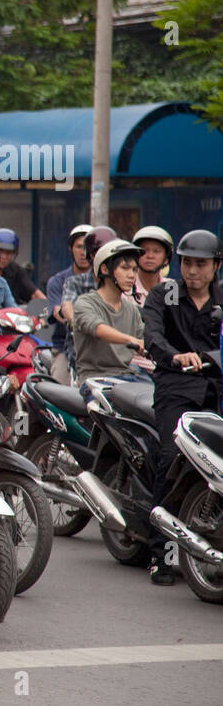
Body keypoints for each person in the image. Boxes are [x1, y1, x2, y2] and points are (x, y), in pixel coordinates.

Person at [142, 229, 223, 586]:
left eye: (201, 264)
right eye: (187, 263)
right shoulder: (164, 294)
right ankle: (161, 553)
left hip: (216, 386)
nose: (192, 271)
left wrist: (208, 357)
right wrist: (175, 356)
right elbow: (152, 337)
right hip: (176, 386)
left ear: (216, 266)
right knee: (170, 457)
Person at [71, 240, 148, 386]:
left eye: (135, 270)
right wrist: (132, 341)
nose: (132, 275)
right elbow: (99, 329)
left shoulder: (131, 309)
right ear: (105, 269)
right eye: (125, 268)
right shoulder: (85, 303)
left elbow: (147, 340)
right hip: (95, 380)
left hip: (128, 378)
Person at [62, 226, 118, 377]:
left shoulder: (122, 284)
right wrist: (78, 322)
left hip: (121, 359)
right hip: (83, 359)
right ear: (92, 256)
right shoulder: (74, 282)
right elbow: (67, 307)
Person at [45, 224, 92, 384]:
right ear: (70, 249)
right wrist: (72, 318)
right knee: (59, 391)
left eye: (88, 247)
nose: (83, 252)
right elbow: (59, 312)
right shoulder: (58, 281)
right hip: (65, 349)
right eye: (79, 246)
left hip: (100, 351)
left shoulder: (106, 280)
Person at [0, 227, 45, 302]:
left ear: (14, 253)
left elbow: (35, 294)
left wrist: (50, 309)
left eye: (8, 253)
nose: (3, 256)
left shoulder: (17, 271)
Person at [130, 225, 173, 307]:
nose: (150, 256)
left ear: (166, 259)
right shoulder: (126, 287)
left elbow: (174, 318)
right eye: (144, 251)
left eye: (156, 251)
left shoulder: (170, 287)